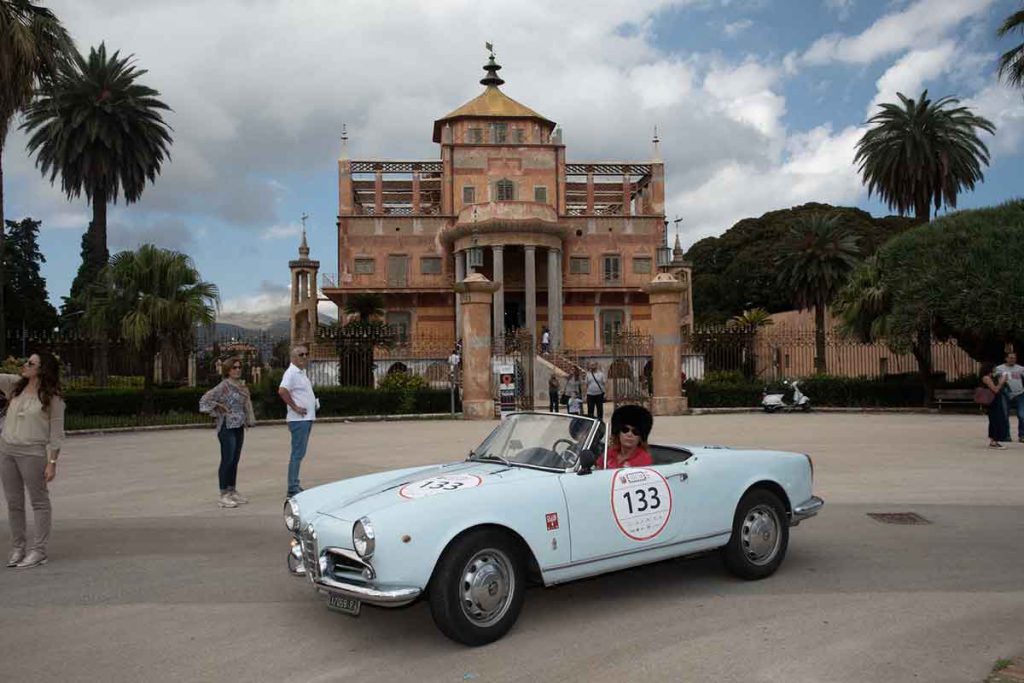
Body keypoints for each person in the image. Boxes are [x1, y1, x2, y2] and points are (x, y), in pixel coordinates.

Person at [0, 352, 65, 569]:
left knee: (39, 502)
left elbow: (56, 433)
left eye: (31, 363)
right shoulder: (14, 386)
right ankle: (18, 547)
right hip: (7, 451)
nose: (25, 364)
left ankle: (39, 550)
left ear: (42, 369)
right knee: (14, 502)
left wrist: (52, 463)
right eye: (26, 361)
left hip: (32, 454)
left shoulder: (52, 398)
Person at [199, 356, 256, 508]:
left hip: (239, 426)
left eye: (239, 367)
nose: (237, 370)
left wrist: (249, 419)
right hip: (226, 427)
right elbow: (204, 401)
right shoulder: (223, 386)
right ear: (227, 370)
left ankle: (232, 490)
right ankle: (223, 494)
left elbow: (246, 405)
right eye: (234, 368)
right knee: (227, 459)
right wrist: (218, 406)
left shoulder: (242, 386)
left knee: (235, 460)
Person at [278, 345, 318, 498]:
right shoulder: (292, 373)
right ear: (293, 357)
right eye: (301, 355)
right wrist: (295, 407)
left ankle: (294, 485)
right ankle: (292, 487)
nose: (305, 357)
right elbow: (282, 390)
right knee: (297, 453)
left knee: (300, 453)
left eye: (306, 354)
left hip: (306, 418)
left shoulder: (301, 373)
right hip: (299, 420)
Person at [598, 404, 653, 469]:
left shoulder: (644, 460)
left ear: (640, 437)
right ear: (618, 433)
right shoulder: (610, 453)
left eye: (635, 432)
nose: (629, 434)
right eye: (625, 430)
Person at [995, 351, 1024, 442]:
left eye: (1014, 358)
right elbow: (992, 377)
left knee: (1022, 415)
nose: (1012, 360)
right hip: (1005, 394)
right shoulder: (999, 368)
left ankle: (1022, 435)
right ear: (1006, 358)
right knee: (1004, 415)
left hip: (1019, 393)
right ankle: (1006, 435)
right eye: (1010, 358)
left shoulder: (1020, 368)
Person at [981, 363, 1010, 449]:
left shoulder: (992, 377)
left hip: (996, 400)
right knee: (995, 420)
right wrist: (1001, 382)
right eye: (994, 367)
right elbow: (995, 389)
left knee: (998, 419)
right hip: (992, 401)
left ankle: (995, 440)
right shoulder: (986, 378)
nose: (995, 369)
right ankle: (993, 441)